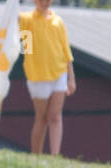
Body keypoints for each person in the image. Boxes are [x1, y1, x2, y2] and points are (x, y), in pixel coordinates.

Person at [20, 0, 76, 156]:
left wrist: (71, 77)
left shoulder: (58, 21)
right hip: (38, 76)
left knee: (55, 116)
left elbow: (66, 50)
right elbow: (26, 48)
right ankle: (35, 155)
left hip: (59, 73)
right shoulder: (27, 20)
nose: (45, 3)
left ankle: (54, 156)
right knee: (42, 118)